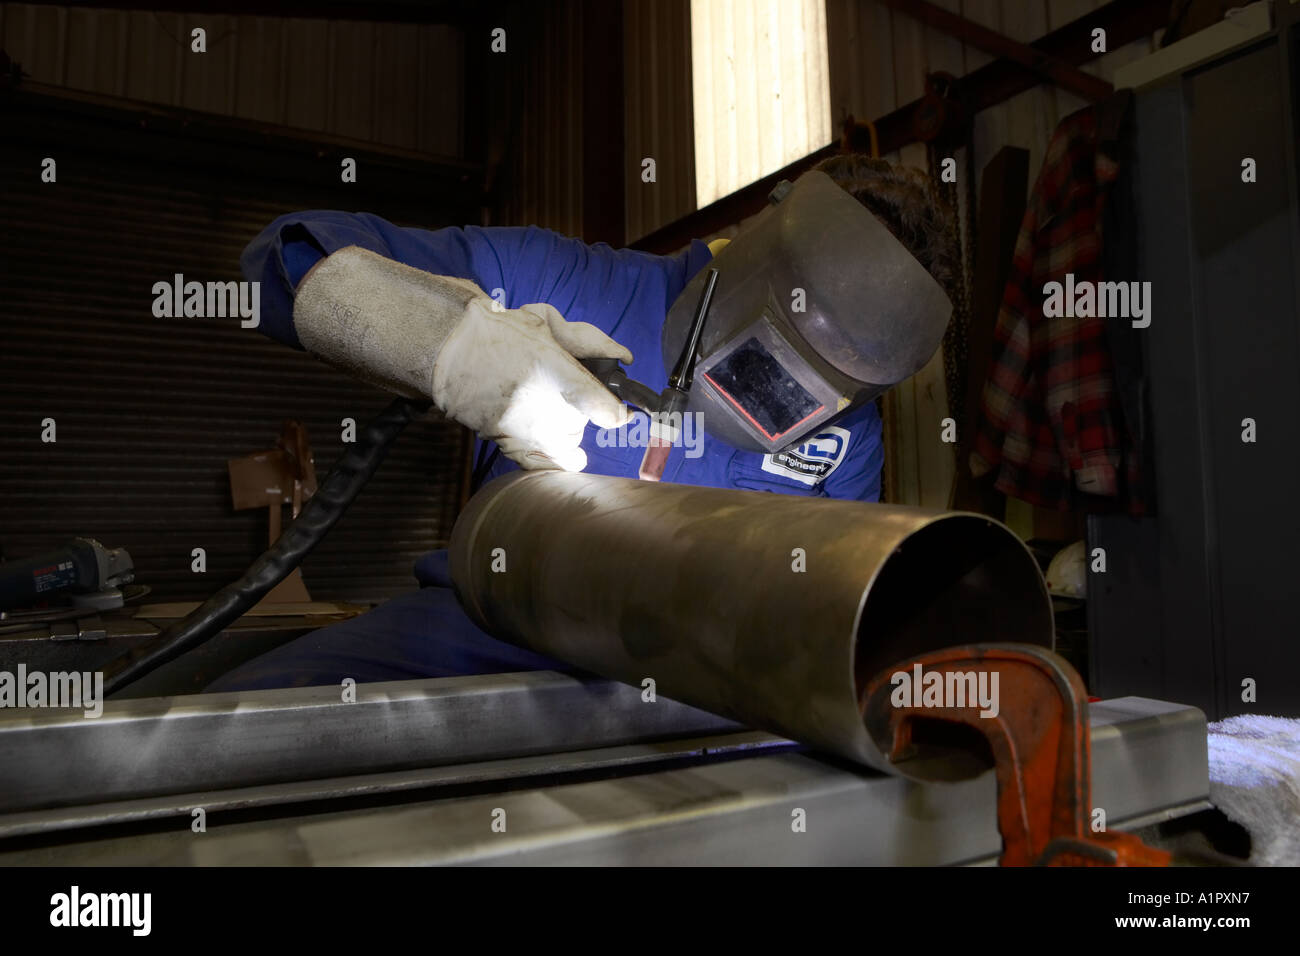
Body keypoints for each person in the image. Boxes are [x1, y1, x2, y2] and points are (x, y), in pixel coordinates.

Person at [206, 155, 957, 691]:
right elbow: (281, 263)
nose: (808, 372)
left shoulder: (850, 435)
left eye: (847, 362)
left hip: (701, 672)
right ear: (764, 236)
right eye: (803, 324)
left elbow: (835, 595)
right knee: (245, 719)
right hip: (492, 629)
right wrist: (446, 340)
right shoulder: (564, 282)